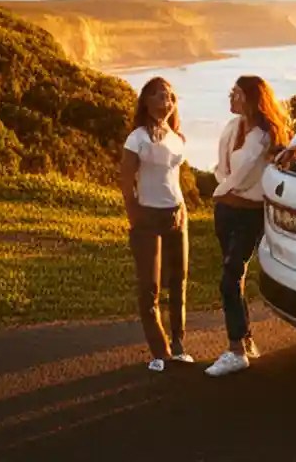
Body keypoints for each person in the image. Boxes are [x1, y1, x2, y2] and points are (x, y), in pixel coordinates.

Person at [204, 75, 291, 377]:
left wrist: (223, 189)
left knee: (229, 278)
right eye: (231, 92)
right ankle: (245, 337)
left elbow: (240, 175)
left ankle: (235, 350)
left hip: (248, 215)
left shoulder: (265, 137)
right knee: (234, 276)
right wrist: (223, 191)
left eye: (237, 94)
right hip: (225, 210)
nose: (231, 97)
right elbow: (222, 168)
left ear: (252, 99)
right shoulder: (233, 127)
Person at [119, 77, 192, 372]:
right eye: (161, 96)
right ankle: (159, 352)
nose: (167, 101)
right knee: (150, 287)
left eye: (171, 97)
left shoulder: (177, 137)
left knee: (179, 282)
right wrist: (133, 213)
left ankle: (178, 346)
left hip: (177, 213)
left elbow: (172, 177)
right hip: (147, 216)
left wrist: (183, 210)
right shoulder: (136, 138)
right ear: (146, 101)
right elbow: (126, 181)